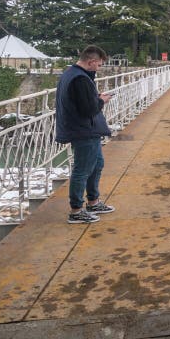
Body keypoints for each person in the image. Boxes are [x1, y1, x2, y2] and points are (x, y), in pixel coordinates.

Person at [55, 45, 115, 224]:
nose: (99, 68)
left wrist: (94, 97)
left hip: (84, 129)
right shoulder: (80, 79)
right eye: (99, 65)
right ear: (91, 62)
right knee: (82, 169)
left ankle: (93, 202)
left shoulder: (70, 73)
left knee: (97, 164)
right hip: (83, 130)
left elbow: (81, 102)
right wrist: (101, 100)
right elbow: (88, 109)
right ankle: (76, 210)